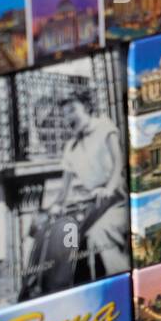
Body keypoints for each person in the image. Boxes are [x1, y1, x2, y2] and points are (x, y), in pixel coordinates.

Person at [54, 92, 129, 276]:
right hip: (95, 205)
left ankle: (117, 278)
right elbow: (64, 188)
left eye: (72, 110)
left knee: (98, 234)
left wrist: (109, 188)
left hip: (118, 198)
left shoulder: (104, 127)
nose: (68, 117)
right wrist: (56, 206)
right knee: (69, 240)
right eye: (65, 114)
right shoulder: (70, 147)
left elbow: (118, 162)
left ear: (86, 108)